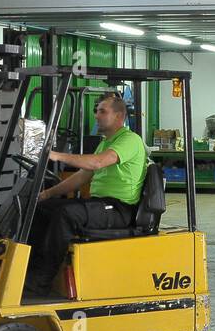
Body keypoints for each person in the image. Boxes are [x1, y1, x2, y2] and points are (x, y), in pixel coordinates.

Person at [26, 92, 149, 294]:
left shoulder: (129, 140)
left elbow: (98, 162)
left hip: (120, 209)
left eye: (102, 111)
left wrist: (55, 155)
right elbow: (82, 177)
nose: (97, 116)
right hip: (101, 205)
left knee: (67, 214)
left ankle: (41, 282)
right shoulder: (105, 142)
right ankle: (28, 271)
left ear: (119, 117)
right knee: (42, 209)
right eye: (96, 111)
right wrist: (47, 194)